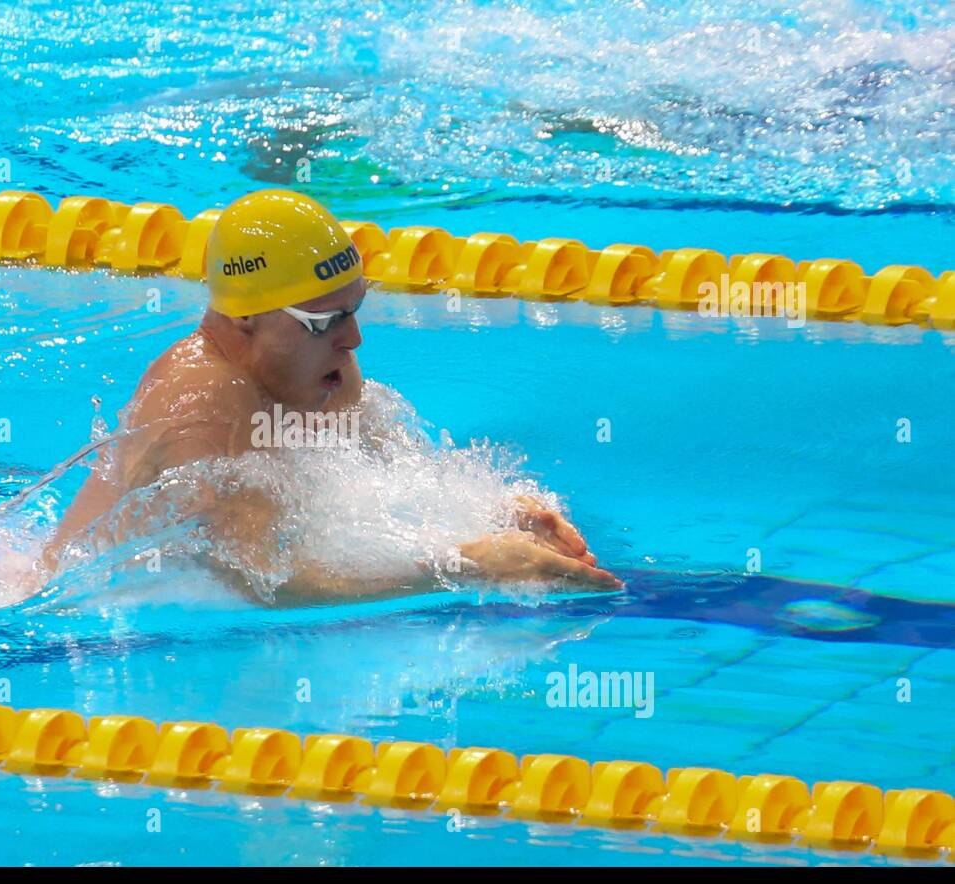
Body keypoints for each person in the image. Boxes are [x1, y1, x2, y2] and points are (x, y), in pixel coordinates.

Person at [37, 188, 621, 599]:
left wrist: (499, 516)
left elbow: (394, 480)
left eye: (355, 310)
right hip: (89, 618)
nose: (354, 338)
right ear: (245, 318)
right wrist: (470, 564)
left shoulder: (321, 369)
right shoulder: (201, 411)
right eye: (326, 321)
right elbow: (270, 583)